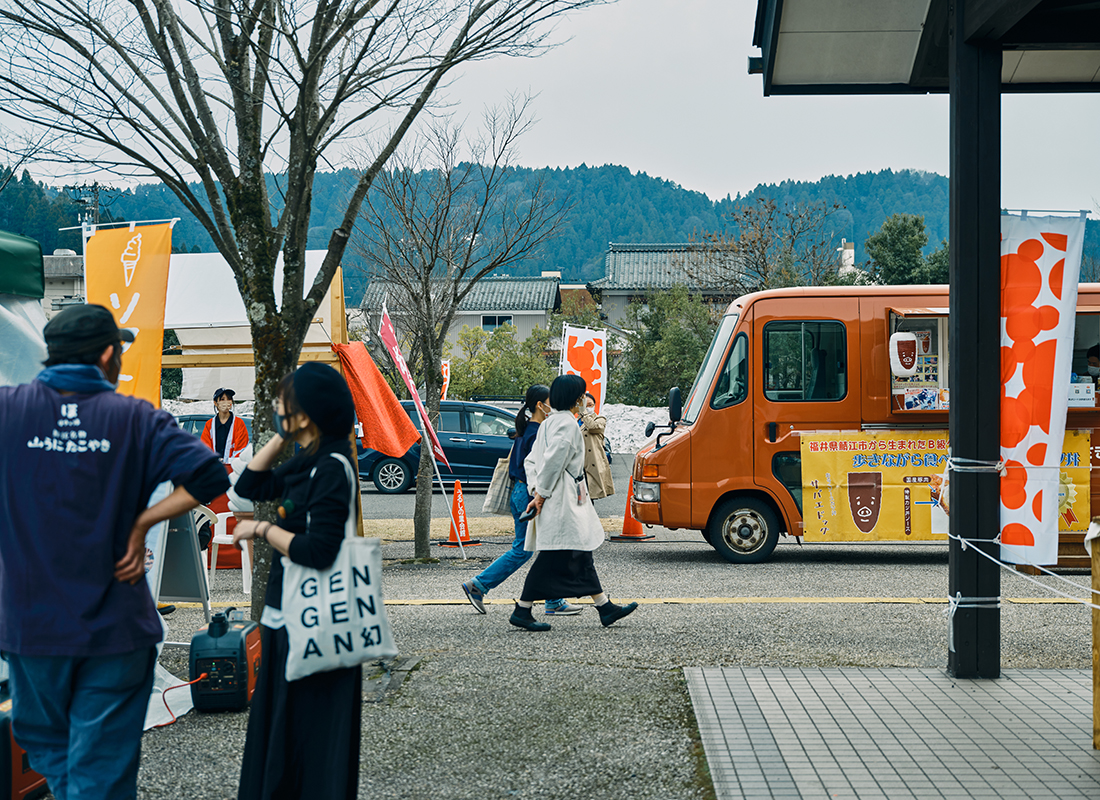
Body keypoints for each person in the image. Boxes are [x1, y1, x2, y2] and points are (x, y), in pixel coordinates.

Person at [0, 304, 230, 800]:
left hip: (29, 625)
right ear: (107, 355)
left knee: (51, 752)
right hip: (115, 628)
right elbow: (211, 475)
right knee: (97, 768)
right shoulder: (135, 418)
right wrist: (143, 520)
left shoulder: (7, 409)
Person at [231, 362, 361, 800]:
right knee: (282, 728)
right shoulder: (309, 458)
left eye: (284, 403)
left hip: (317, 621)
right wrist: (284, 434)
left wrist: (262, 531)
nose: (275, 407)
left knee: (309, 734)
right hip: (287, 616)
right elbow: (250, 485)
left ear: (305, 412)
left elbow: (320, 551)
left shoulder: (332, 466)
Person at [510, 374, 638, 632]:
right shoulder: (568, 425)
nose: (584, 401)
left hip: (558, 499)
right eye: (582, 396)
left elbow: (532, 462)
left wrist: (537, 489)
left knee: (579, 552)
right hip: (563, 501)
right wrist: (541, 495)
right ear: (575, 398)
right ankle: (523, 610)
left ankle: (604, 607)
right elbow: (555, 462)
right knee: (561, 554)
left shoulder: (547, 423)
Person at [461, 386, 582, 616]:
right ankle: (479, 585)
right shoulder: (537, 433)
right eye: (549, 403)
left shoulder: (526, 429)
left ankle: (553, 600)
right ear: (540, 405)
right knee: (526, 550)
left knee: (543, 547)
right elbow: (543, 469)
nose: (553, 408)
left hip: (520, 492)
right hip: (529, 494)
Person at [579, 391, 614, 500]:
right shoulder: (576, 421)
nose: (588, 408)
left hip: (592, 464)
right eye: (585, 405)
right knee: (580, 499)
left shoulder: (600, 419)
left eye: (590, 405)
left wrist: (584, 413)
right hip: (579, 465)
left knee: (590, 497)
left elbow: (592, 427)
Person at [202, 386, 250, 463]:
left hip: (233, 469)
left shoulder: (239, 423)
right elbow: (205, 448)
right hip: (214, 469)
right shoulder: (209, 424)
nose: (226, 402)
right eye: (222, 399)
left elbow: (242, 449)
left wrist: (229, 462)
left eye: (229, 399)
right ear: (215, 403)